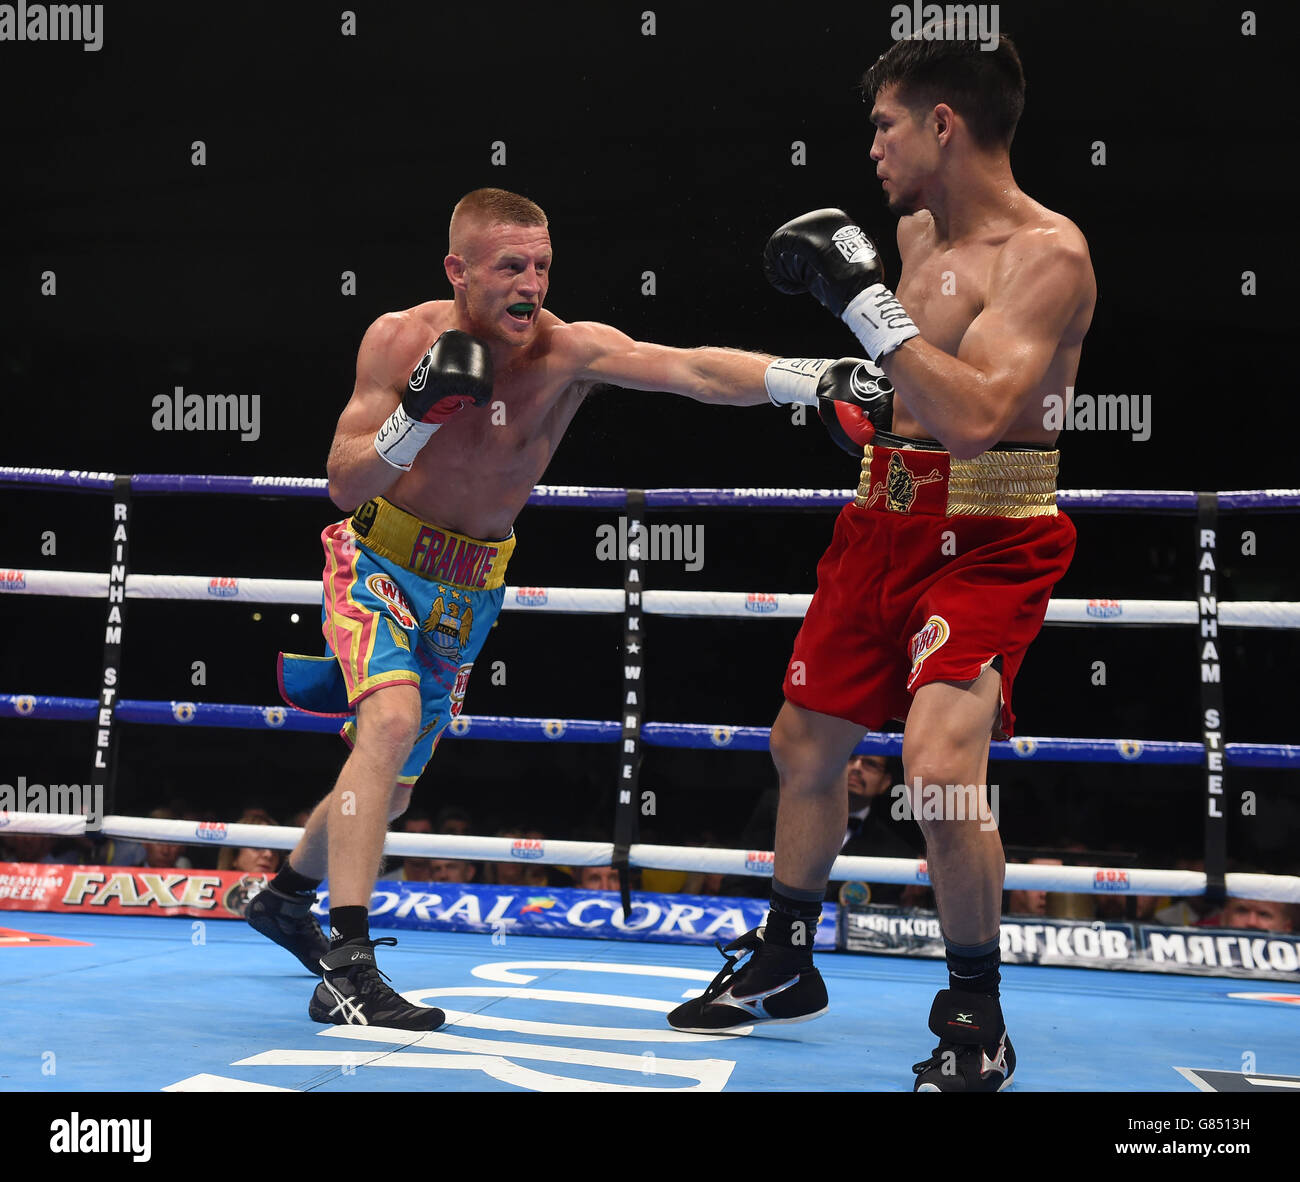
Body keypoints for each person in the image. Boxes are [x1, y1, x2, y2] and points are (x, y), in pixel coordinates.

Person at [247, 187, 875, 1029]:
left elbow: (689, 369)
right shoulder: (399, 338)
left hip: (468, 590)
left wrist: (813, 377)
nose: (532, 284)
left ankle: (287, 897)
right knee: (389, 725)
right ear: (458, 270)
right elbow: (343, 481)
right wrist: (413, 420)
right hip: (378, 559)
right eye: (511, 266)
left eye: (542, 266)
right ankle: (348, 965)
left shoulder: (567, 352)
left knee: (388, 791)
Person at [667, 27, 1095, 1095]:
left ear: (941, 122)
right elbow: (911, 395)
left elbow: (981, 418)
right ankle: (785, 957)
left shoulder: (1048, 255)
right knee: (804, 740)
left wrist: (863, 308)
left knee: (941, 771)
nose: (872, 148)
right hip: (880, 519)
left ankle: (975, 1016)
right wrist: (855, 398)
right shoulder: (911, 235)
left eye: (884, 123)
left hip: (990, 533)